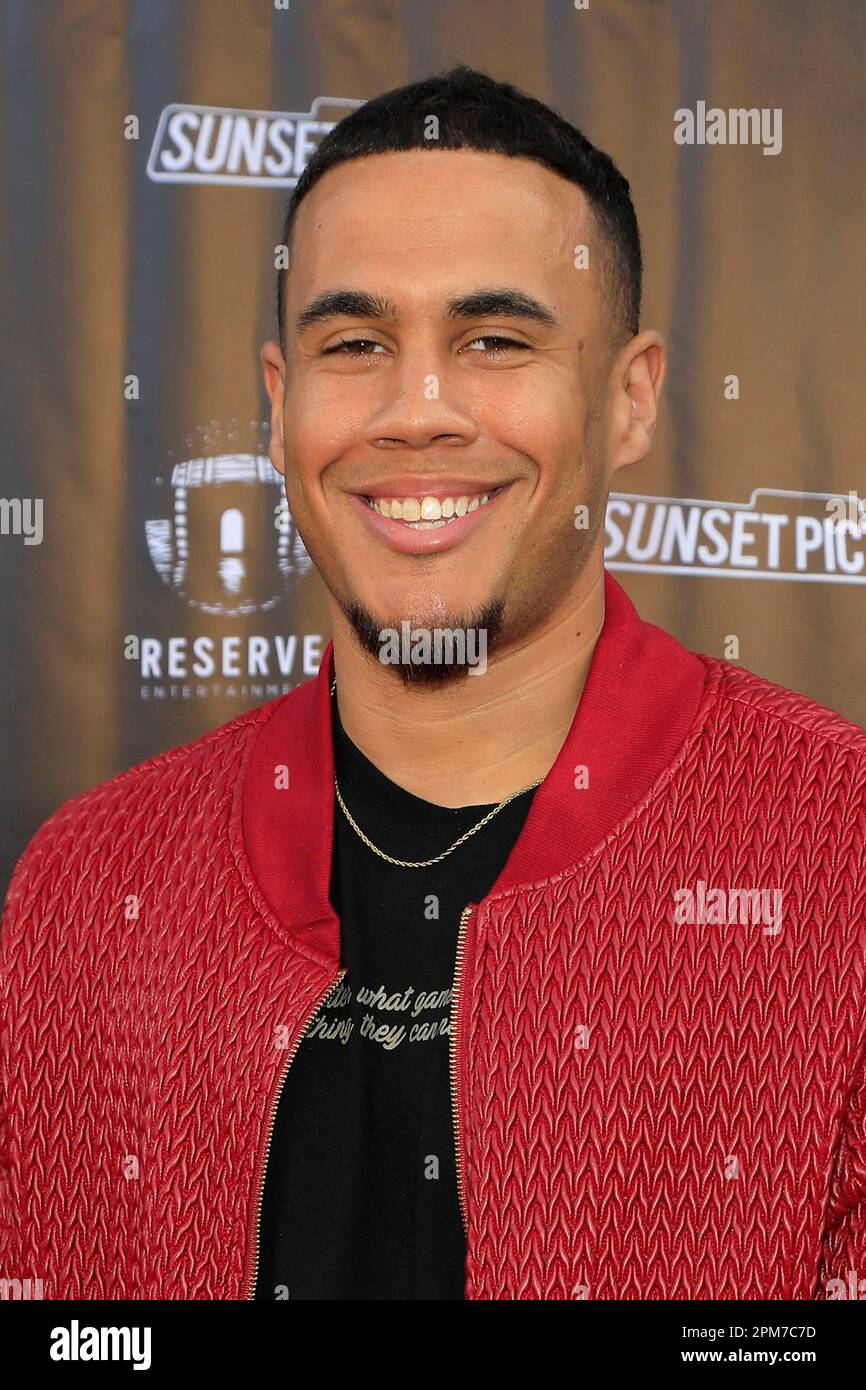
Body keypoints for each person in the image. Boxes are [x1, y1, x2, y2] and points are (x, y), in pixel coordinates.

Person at [2, 65, 864, 1302]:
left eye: (493, 340)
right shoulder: (89, 885)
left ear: (627, 401)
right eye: (354, 343)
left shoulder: (840, 849)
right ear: (278, 398)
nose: (415, 411)